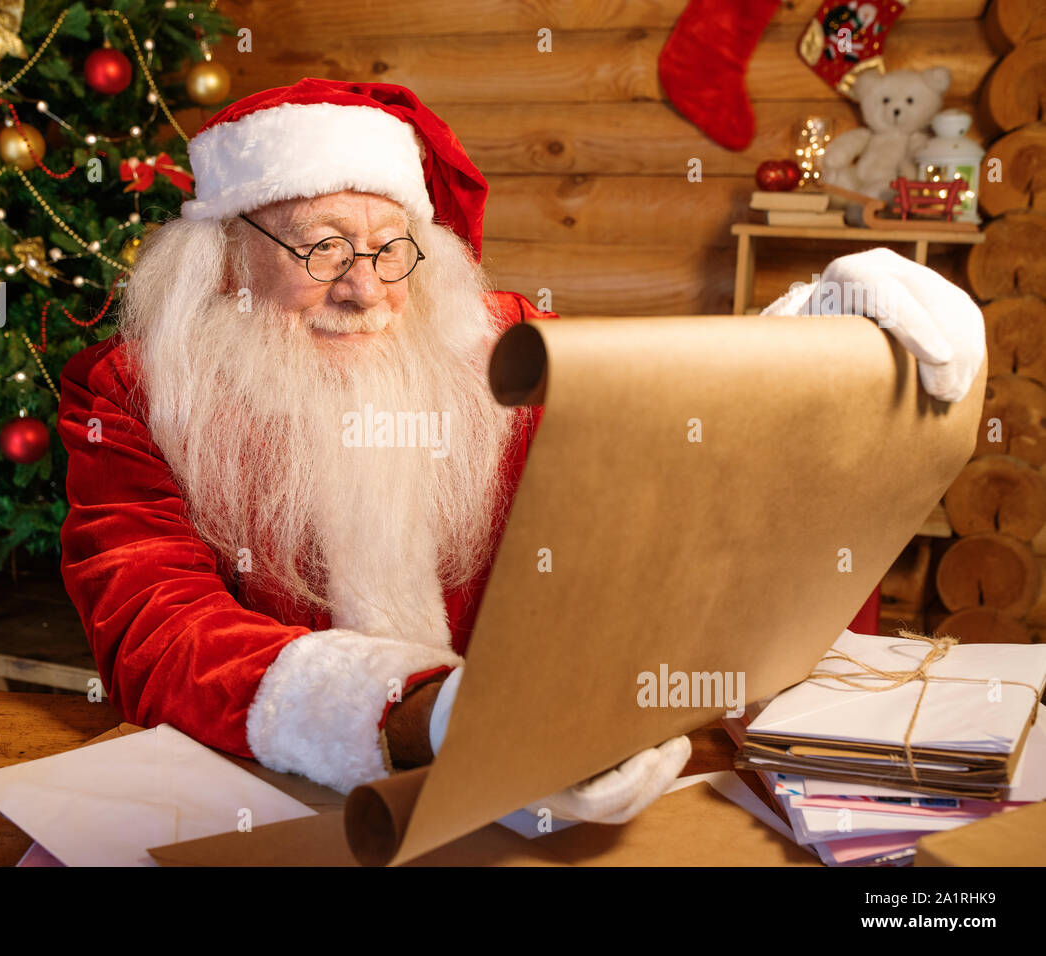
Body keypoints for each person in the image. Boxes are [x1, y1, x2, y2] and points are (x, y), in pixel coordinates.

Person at [57, 78, 984, 825]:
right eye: (323, 248)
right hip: (271, 809)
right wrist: (433, 714)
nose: (366, 290)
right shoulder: (135, 393)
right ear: (228, 255)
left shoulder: (497, 349)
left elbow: (666, 453)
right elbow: (158, 627)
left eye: (392, 251)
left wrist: (815, 354)